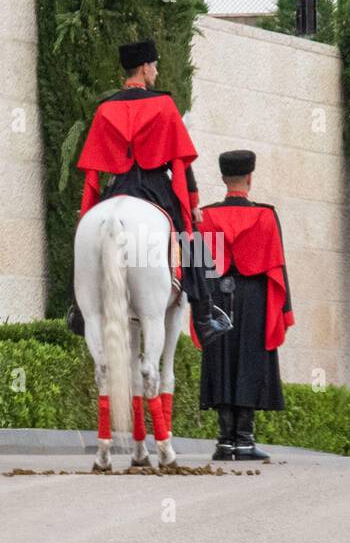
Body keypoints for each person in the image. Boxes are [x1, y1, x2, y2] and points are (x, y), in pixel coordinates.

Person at [68, 37, 231, 345]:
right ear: (144, 68)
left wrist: (88, 205)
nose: (155, 71)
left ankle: (77, 308)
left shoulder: (105, 110)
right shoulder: (163, 104)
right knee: (190, 240)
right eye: (154, 66)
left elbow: (93, 169)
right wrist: (193, 203)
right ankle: (206, 313)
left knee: (85, 236)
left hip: (117, 186)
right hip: (156, 187)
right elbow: (181, 162)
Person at [197, 150, 295, 461]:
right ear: (250, 178)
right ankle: (244, 440)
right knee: (250, 362)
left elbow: (195, 268)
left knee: (221, 362)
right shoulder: (266, 216)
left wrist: (199, 307)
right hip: (255, 298)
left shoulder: (206, 215)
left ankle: (225, 442)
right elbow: (278, 269)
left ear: (224, 179)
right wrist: (284, 310)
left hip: (216, 297)